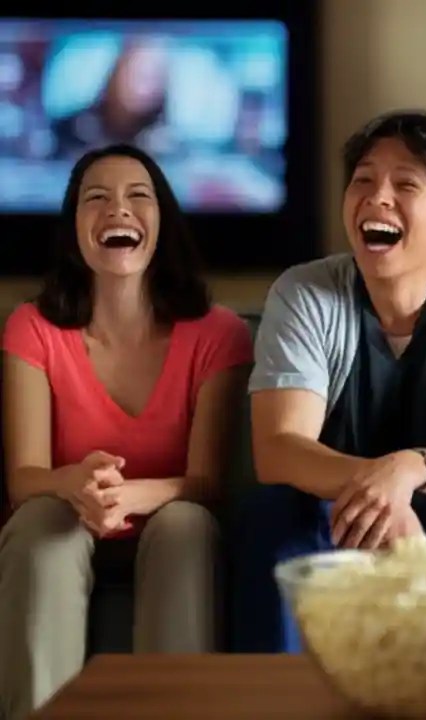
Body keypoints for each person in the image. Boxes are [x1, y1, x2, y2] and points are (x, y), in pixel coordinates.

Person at [230, 109, 426, 654]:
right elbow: (279, 449)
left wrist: (407, 470)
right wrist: (380, 492)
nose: (377, 197)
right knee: (271, 512)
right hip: (340, 513)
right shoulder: (304, 292)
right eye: (363, 181)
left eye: (405, 184)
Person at [0, 144, 253, 719]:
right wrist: (76, 484)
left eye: (138, 196)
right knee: (40, 520)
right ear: (75, 229)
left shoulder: (218, 333)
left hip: (170, 523)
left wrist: (132, 494)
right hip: (64, 519)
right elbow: (24, 480)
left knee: (187, 523)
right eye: (97, 199)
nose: (118, 210)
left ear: (161, 223)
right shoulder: (31, 328)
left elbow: (207, 482)